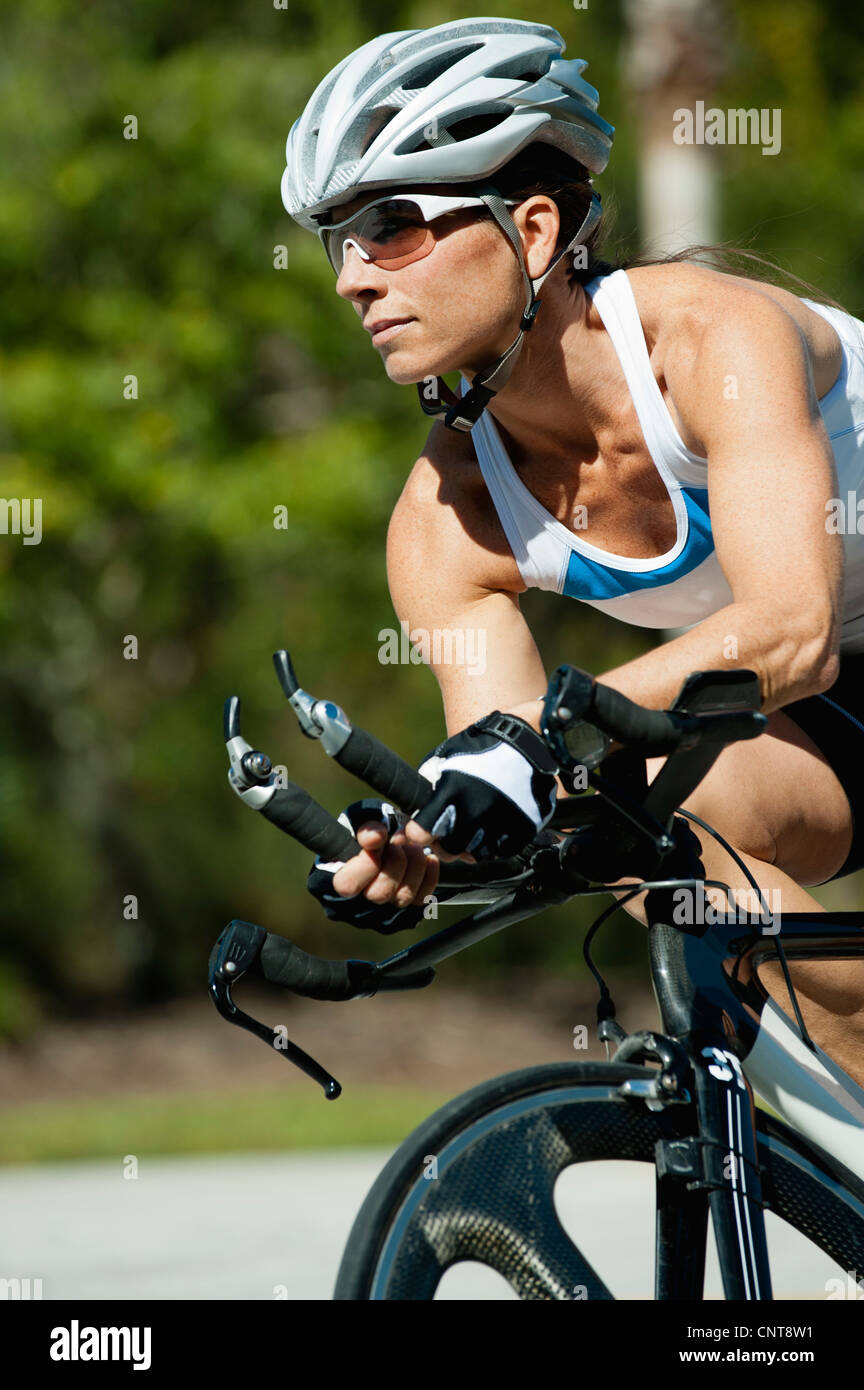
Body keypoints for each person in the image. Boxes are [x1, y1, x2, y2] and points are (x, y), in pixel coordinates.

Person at [283, 17, 864, 1081]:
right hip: (828, 720)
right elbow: (515, 775)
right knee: (618, 822)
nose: (351, 280)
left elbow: (794, 626)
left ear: (535, 230)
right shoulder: (445, 518)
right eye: (341, 241)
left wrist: (532, 744)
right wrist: (425, 841)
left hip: (809, 657)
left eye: (394, 225)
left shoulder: (713, 341)